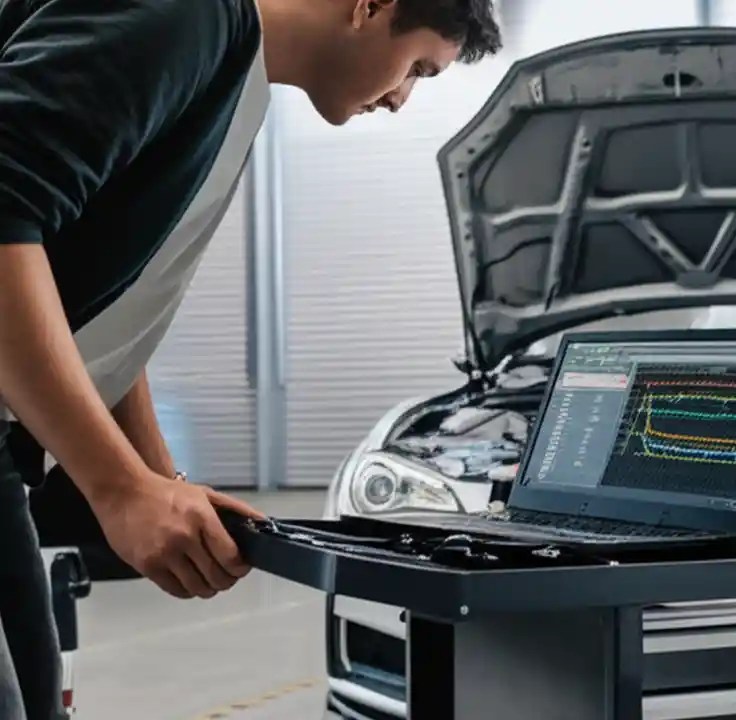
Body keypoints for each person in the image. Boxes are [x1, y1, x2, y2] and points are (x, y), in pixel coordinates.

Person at [0, 0, 503, 717]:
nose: (401, 100)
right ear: (370, 6)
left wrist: (153, 477)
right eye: (416, 68)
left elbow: (98, 303)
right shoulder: (180, 16)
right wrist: (116, 490)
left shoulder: (229, 74)